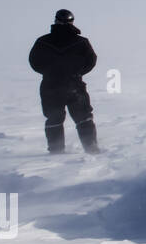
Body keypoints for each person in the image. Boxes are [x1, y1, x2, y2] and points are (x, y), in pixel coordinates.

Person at [28, 9, 99, 154]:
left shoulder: (42, 41)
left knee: (54, 118)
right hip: (74, 86)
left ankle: (56, 151)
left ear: (55, 21)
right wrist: (76, 73)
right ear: (72, 22)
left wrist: (49, 73)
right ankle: (91, 149)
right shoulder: (81, 42)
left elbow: (34, 62)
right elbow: (91, 61)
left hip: (50, 86)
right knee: (83, 117)